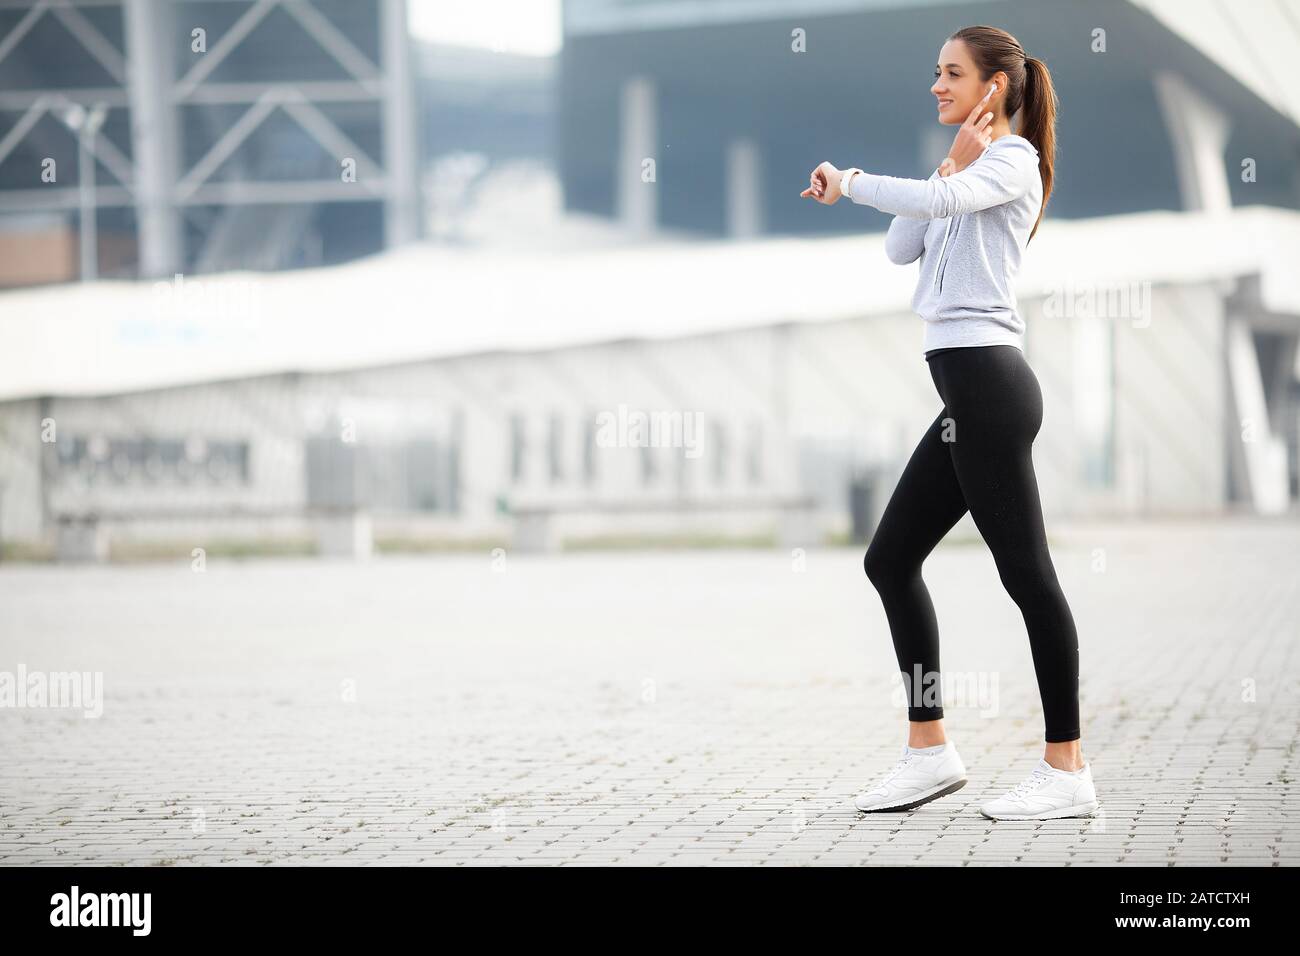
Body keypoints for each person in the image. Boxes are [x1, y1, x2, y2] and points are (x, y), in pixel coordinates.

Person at [801, 25, 1099, 820]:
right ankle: (929, 750)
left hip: (991, 390)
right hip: (965, 398)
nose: (936, 85)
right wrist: (944, 165)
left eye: (952, 73)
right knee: (890, 559)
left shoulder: (1012, 162)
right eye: (936, 72)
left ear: (992, 88)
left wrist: (853, 179)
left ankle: (1066, 769)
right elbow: (905, 246)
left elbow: (936, 203)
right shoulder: (968, 166)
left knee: (1028, 577)